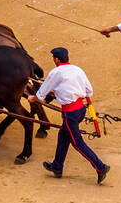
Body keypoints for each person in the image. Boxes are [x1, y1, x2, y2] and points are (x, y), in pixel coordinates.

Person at [36, 47, 109, 184]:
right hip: (80, 110)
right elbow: (89, 91)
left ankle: (100, 167)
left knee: (77, 143)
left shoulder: (56, 72)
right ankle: (57, 166)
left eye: (53, 58)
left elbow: (41, 94)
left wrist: (33, 98)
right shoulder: (77, 70)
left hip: (70, 113)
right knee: (63, 135)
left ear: (56, 59)